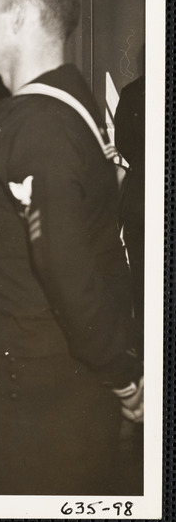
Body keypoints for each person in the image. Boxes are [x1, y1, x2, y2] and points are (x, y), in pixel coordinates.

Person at [0, 0, 143, 494]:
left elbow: (65, 264)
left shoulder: (40, 126)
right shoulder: (60, 100)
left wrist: (120, 372)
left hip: (43, 372)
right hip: (39, 360)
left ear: (18, 20)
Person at [114, 73, 145, 353]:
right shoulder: (132, 92)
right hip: (140, 202)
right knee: (140, 274)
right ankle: (143, 344)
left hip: (140, 193)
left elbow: (124, 140)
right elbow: (121, 140)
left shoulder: (133, 92)